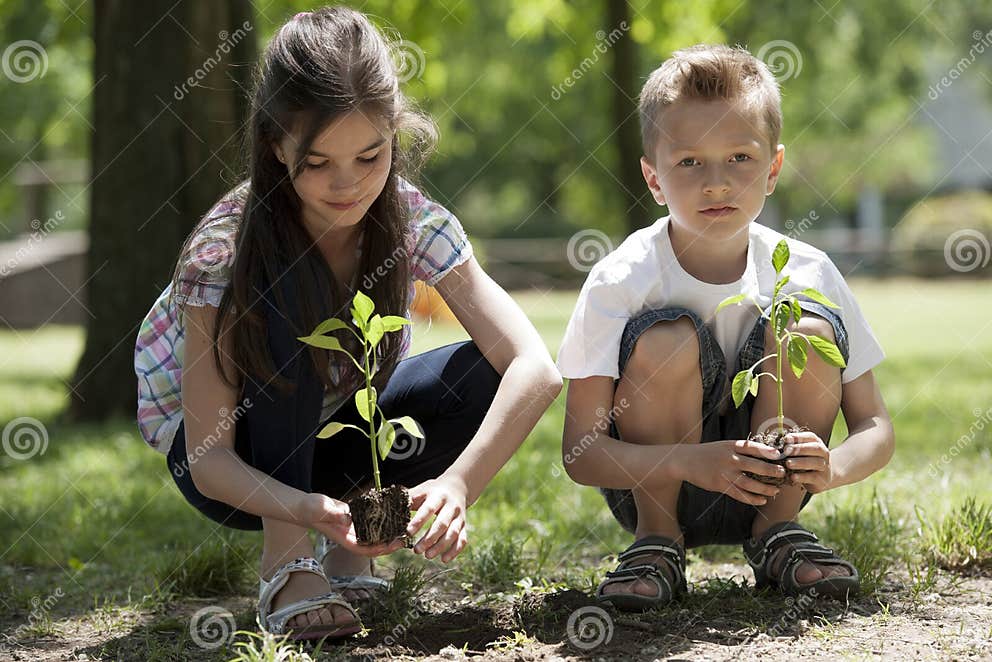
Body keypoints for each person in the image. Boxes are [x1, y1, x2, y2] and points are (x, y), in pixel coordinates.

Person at [133, 6, 561, 640]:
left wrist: (457, 485)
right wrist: (302, 509)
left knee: (480, 372)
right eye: (317, 162)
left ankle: (356, 545)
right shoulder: (227, 251)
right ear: (277, 146)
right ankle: (289, 563)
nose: (347, 184)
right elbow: (209, 461)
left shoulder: (412, 220)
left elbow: (537, 368)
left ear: (395, 135)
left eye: (370, 155)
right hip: (230, 460)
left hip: (329, 427)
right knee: (290, 303)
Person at [556, 44, 894, 611]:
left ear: (774, 168)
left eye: (740, 157)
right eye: (689, 162)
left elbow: (876, 425)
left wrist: (831, 468)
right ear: (654, 178)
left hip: (771, 485)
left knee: (803, 331)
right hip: (654, 486)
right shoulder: (622, 278)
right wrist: (689, 463)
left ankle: (776, 534)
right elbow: (580, 453)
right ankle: (657, 543)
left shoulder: (807, 270)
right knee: (667, 339)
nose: (717, 183)